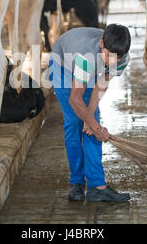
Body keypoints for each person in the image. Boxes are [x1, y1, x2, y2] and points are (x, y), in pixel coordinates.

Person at [48, 24, 132, 202]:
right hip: (63, 63)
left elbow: (102, 82)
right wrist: (96, 127)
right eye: (109, 56)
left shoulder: (121, 57)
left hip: (87, 65)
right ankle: (77, 182)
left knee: (91, 122)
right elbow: (75, 99)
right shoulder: (86, 58)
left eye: (118, 58)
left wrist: (92, 119)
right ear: (102, 44)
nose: (113, 62)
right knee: (74, 122)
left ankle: (96, 186)